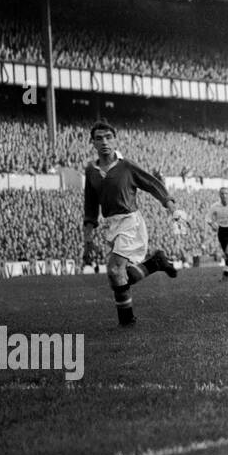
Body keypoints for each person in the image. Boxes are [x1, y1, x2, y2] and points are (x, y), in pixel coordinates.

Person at [82, 120, 178, 326]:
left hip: (130, 222)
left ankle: (127, 322)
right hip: (111, 224)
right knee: (117, 276)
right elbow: (90, 206)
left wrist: (171, 207)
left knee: (115, 270)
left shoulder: (126, 166)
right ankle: (155, 263)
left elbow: (152, 184)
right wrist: (87, 237)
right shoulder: (91, 171)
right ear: (93, 143)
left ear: (115, 140)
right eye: (99, 138)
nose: (104, 142)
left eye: (108, 137)